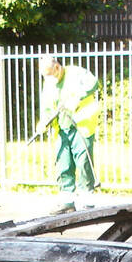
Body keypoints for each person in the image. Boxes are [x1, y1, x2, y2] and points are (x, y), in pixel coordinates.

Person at [31, 56, 100, 213]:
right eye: (45, 76)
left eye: (49, 74)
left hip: (81, 125)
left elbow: (93, 83)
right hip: (62, 127)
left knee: (83, 161)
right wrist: (43, 122)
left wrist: (78, 98)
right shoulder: (49, 82)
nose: (48, 78)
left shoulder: (76, 73)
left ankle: (86, 200)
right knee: (64, 163)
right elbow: (47, 106)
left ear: (57, 67)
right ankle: (67, 201)